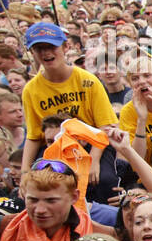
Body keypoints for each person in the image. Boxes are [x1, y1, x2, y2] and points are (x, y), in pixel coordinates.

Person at [19, 22, 116, 170]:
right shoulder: (30, 90)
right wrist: (25, 172)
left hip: (91, 144)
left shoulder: (88, 80)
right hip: (54, 148)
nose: (46, 53)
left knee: (104, 180)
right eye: (39, 49)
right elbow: (33, 136)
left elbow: (105, 126)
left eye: (51, 47)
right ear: (32, 52)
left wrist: (94, 161)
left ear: (66, 47)